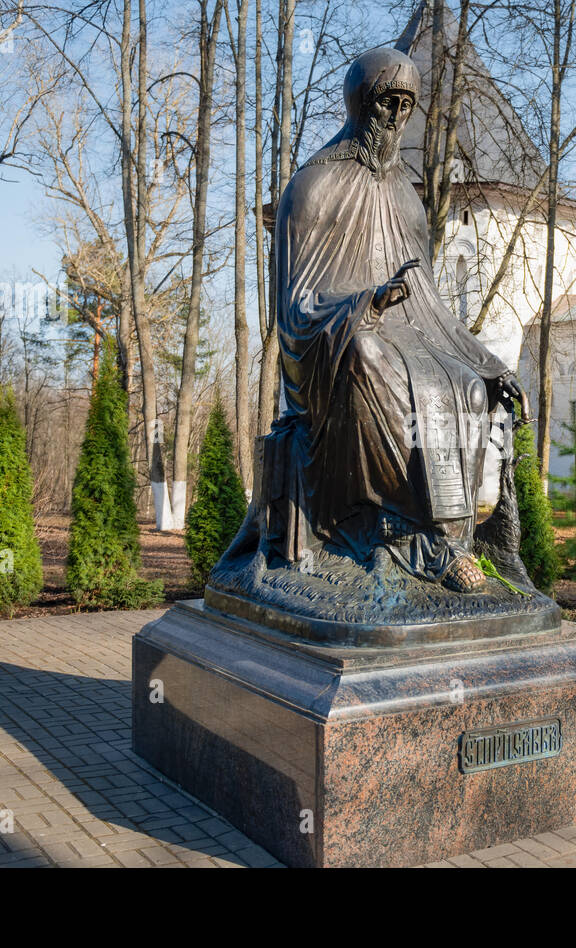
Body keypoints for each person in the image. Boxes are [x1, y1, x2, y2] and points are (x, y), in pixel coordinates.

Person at [225, 46, 525, 593]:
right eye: (386, 103)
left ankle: (452, 538)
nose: (395, 118)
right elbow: (294, 312)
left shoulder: (407, 204)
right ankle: (416, 534)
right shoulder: (311, 188)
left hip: (404, 340)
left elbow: (432, 305)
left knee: (471, 390)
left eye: (406, 106)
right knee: (367, 355)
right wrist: (366, 303)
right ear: (360, 102)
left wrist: (489, 363)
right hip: (330, 359)